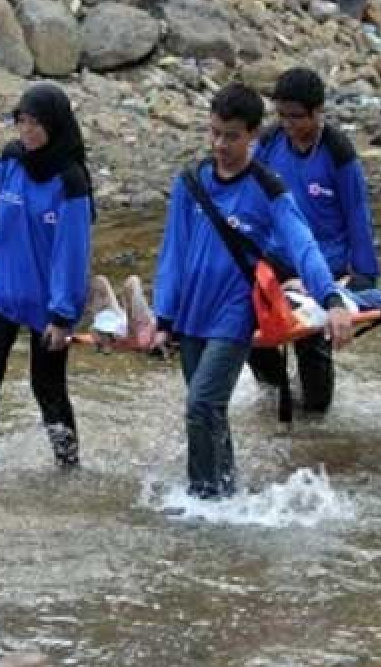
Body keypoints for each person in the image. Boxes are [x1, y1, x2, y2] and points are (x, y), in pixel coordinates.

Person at [152, 83, 354, 500]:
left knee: (201, 404)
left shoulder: (268, 188)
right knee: (209, 409)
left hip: (235, 310)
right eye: (214, 133)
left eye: (231, 136)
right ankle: (226, 494)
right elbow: (173, 252)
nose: (220, 145)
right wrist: (163, 317)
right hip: (191, 309)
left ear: (253, 136)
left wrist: (332, 299)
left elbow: (303, 246)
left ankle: (201, 498)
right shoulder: (190, 182)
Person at [0, 82, 93, 475]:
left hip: (46, 303)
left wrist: (63, 315)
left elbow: (71, 255)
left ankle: (68, 465)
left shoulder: (71, 183)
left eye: (35, 123)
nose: (26, 130)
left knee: (47, 387)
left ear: (54, 125)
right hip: (0, 292)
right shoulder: (11, 161)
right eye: (21, 121)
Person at [249, 67, 381, 414]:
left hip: (324, 265)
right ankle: (274, 394)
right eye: (282, 115)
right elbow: (250, 195)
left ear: (318, 112)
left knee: (312, 351)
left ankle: (314, 415)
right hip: (279, 257)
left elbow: (357, 215)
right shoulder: (270, 142)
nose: (288, 124)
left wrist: (364, 274)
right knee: (251, 324)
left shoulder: (337, 152)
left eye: (296, 116)